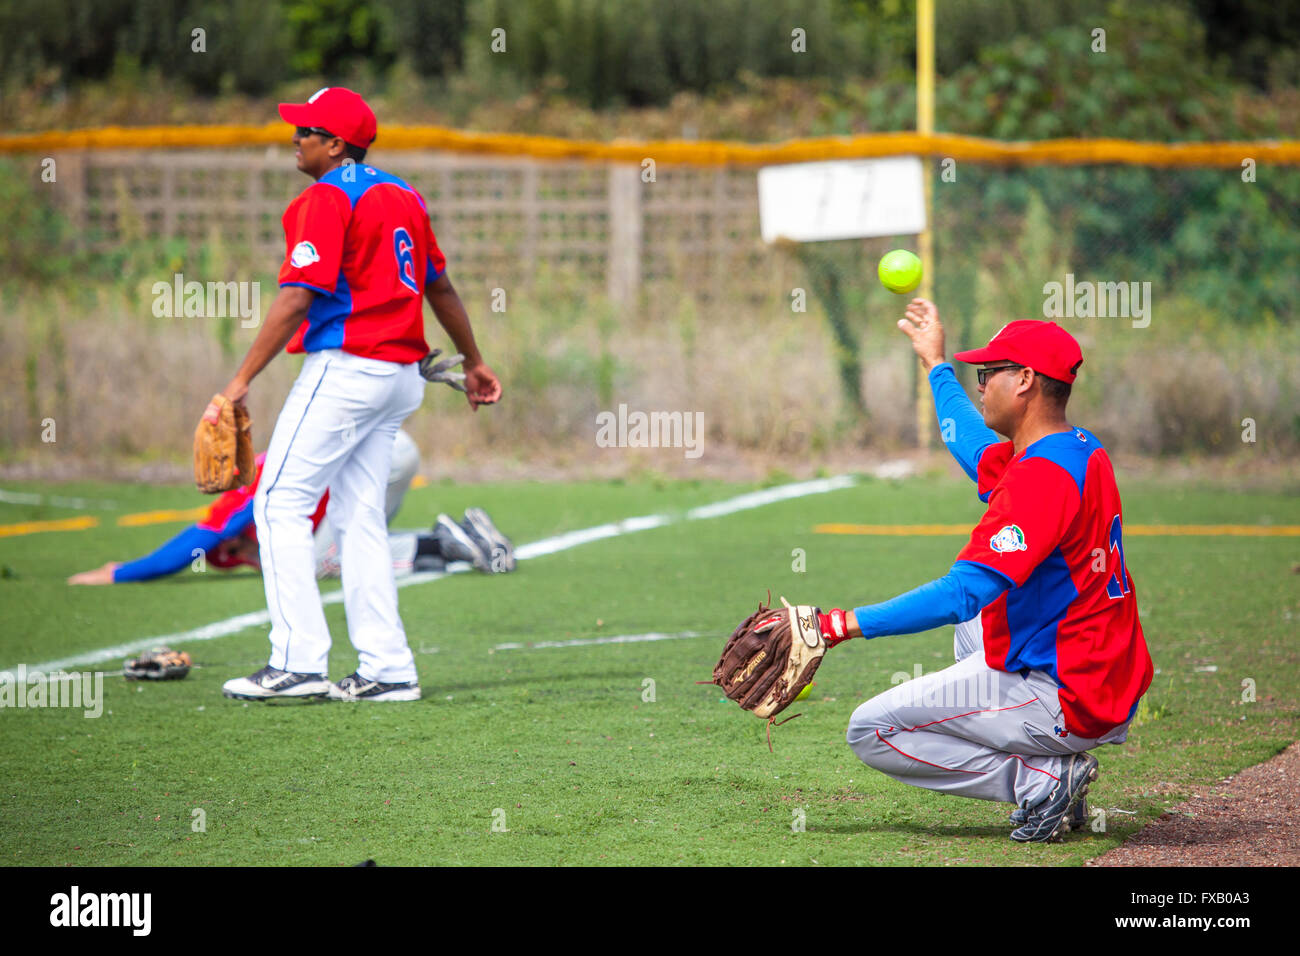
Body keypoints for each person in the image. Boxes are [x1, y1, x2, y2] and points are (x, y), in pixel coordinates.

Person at [805, 299, 1153, 843]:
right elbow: (969, 444)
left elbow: (959, 593)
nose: (981, 384)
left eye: (988, 374)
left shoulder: (1040, 478)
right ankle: (1049, 765)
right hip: (1103, 669)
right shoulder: (1079, 450)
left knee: (872, 730)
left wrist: (836, 627)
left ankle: (1041, 778)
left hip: (1071, 694)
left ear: (1026, 381)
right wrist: (935, 366)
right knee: (982, 622)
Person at [211, 87, 501, 703]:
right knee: (358, 518)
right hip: (398, 380)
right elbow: (440, 287)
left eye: (306, 131)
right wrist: (474, 362)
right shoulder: (404, 194)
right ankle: (388, 669)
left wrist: (238, 383)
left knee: (278, 503)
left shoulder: (326, 195)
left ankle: (296, 661)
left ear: (336, 144)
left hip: (348, 370)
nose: (295, 139)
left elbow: (298, 295)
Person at [67, 431, 515, 584]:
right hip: (385, 452)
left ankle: (444, 544)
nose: (247, 559)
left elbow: (194, 543)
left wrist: (120, 572)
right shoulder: (240, 530)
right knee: (339, 545)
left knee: (322, 559)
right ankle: (460, 538)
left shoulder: (239, 504)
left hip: (385, 456)